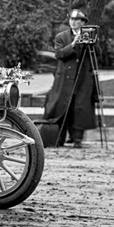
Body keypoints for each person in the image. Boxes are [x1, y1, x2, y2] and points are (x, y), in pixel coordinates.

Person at [42, 9, 99, 148]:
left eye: (77, 20)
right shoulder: (62, 37)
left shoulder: (89, 35)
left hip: (82, 79)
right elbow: (59, 54)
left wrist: (92, 43)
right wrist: (73, 44)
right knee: (61, 106)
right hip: (64, 80)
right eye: (72, 20)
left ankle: (77, 138)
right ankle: (59, 137)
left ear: (83, 22)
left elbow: (98, 54)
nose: (74, 22)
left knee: (80, 107)